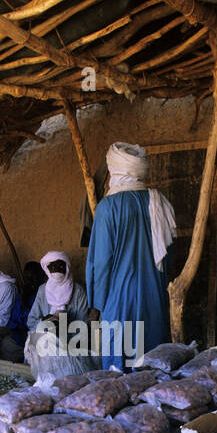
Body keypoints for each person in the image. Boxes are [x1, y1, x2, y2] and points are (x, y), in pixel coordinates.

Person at [85, 142, 176, 369]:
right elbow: (168, 256)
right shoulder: (159, 203)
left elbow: (102, 262)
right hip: (154, 295)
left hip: (118, 298)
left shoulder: (108, 207)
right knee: (152, 365)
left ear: (115, 171)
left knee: (118, 368)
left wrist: (97, 304)